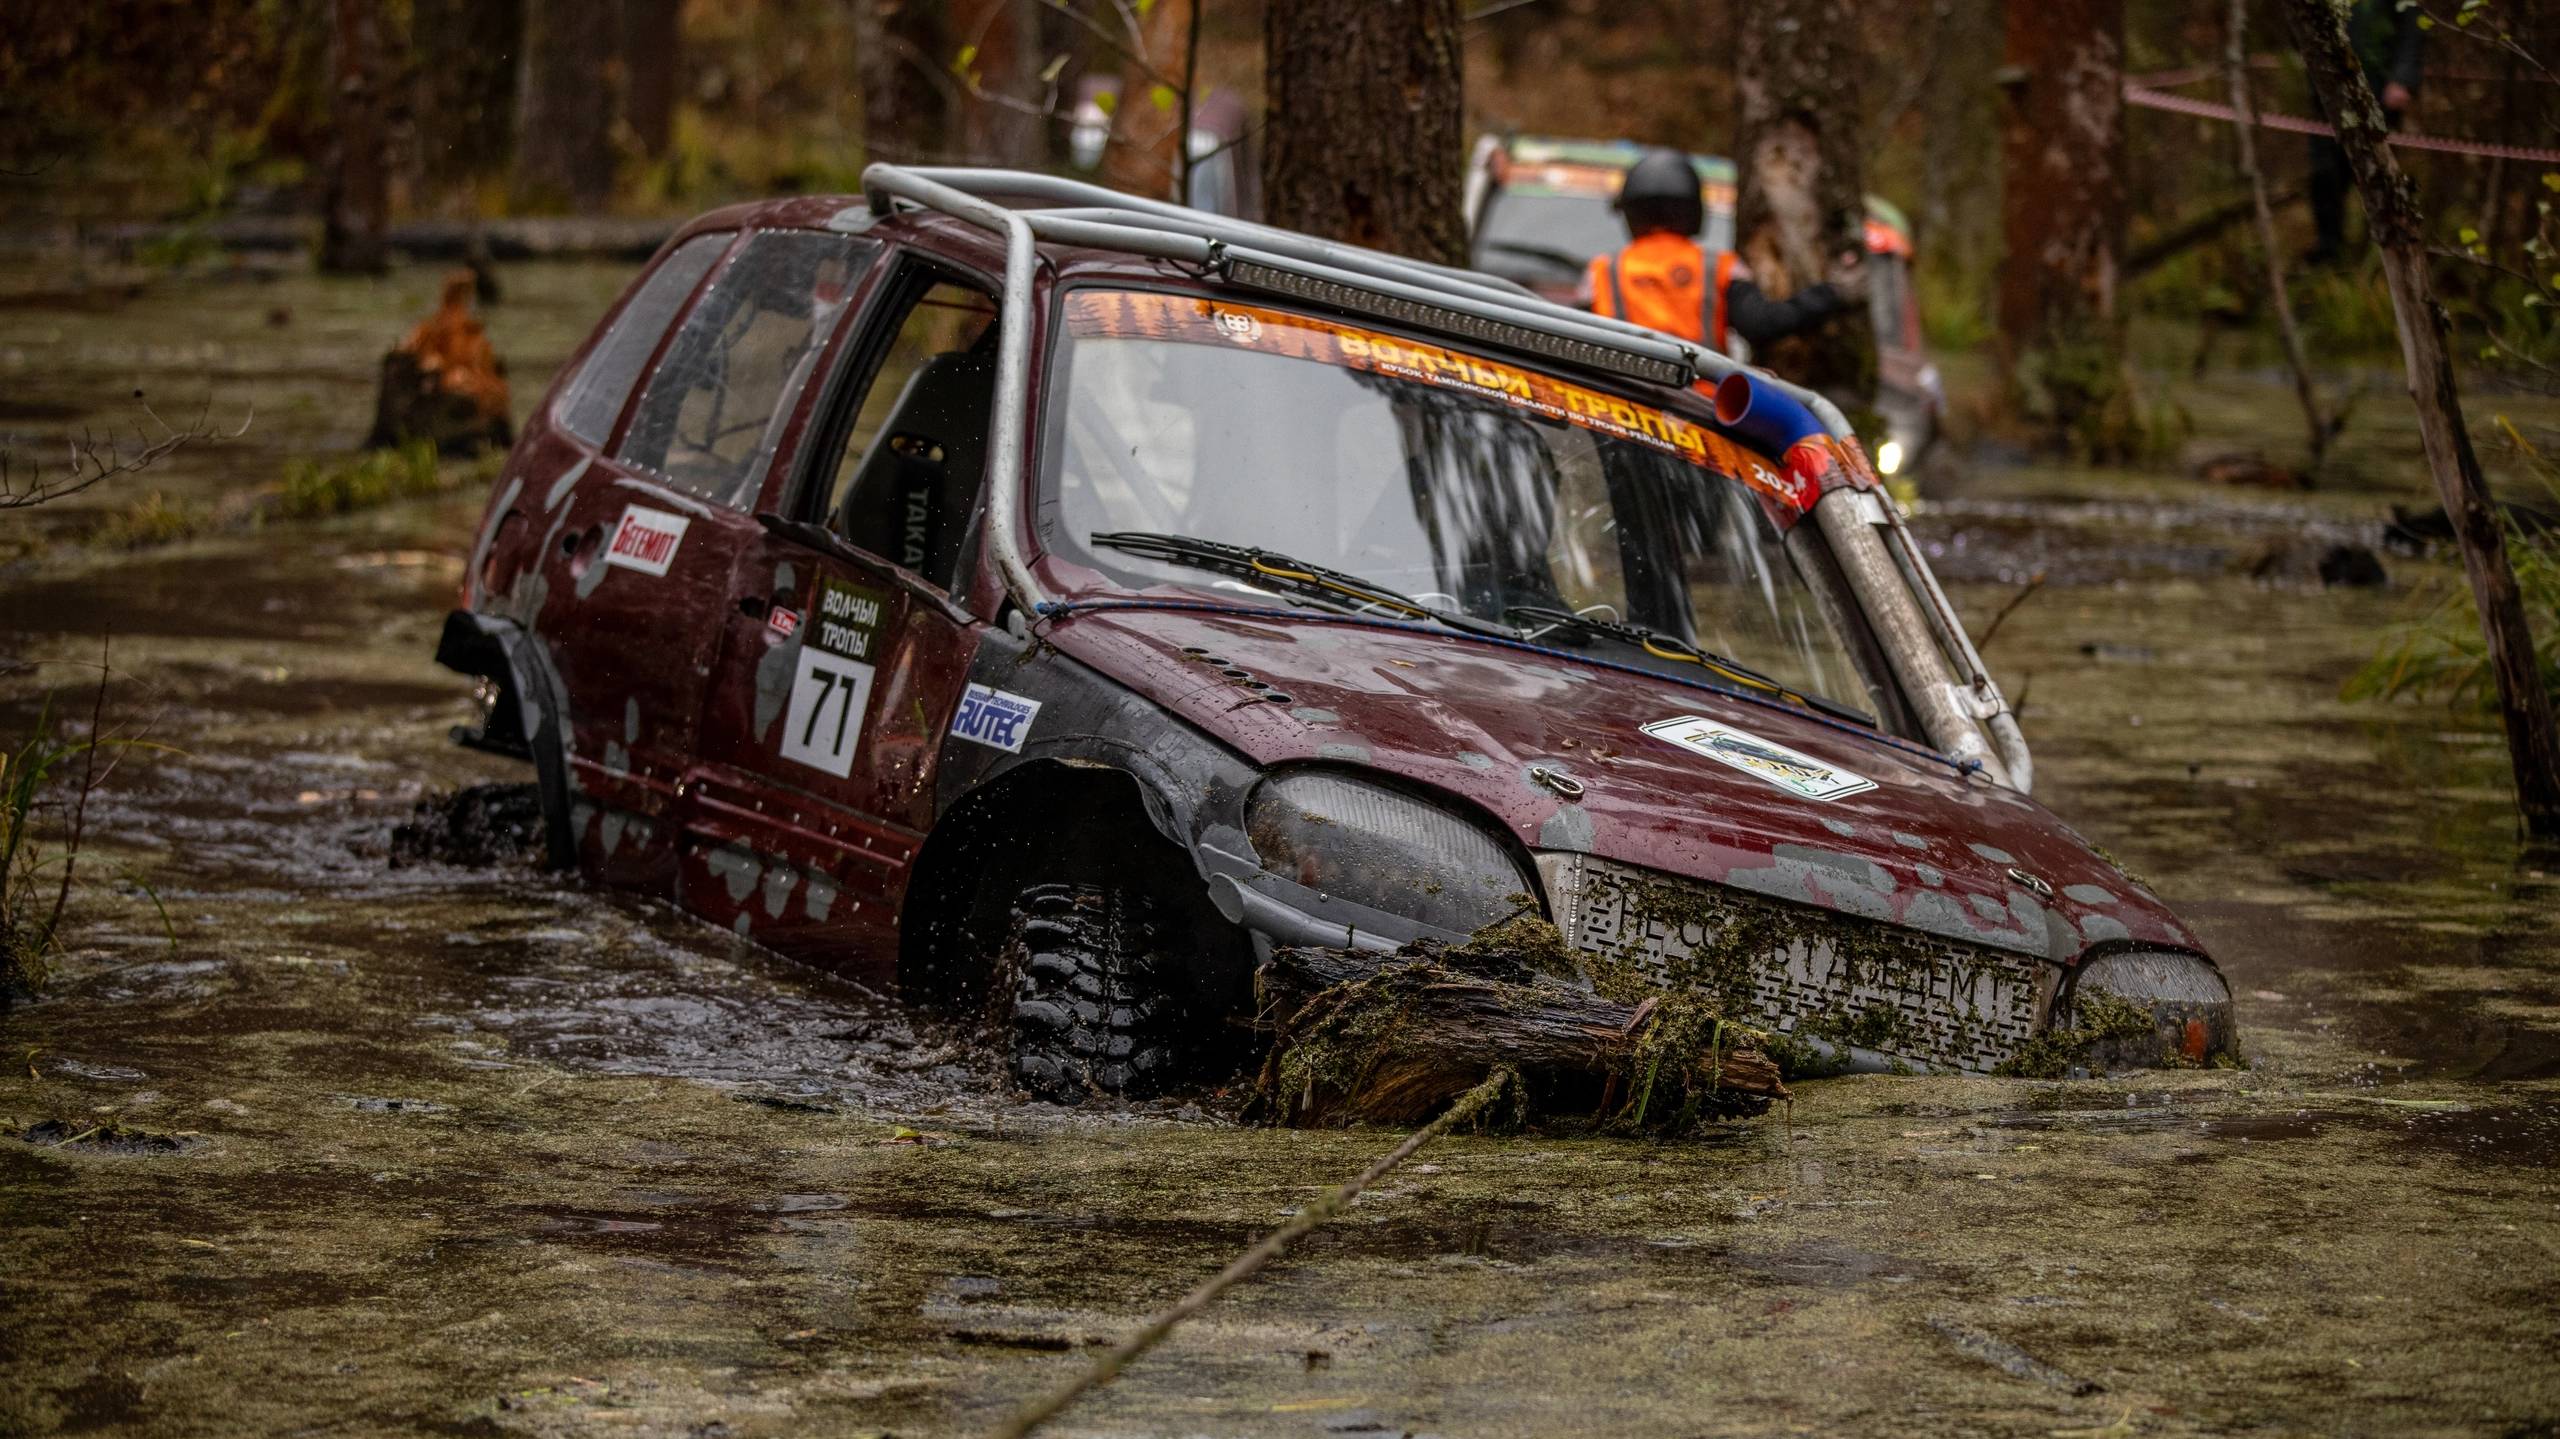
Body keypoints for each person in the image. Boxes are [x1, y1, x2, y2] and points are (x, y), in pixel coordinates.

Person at [1578, 147, 1864, 356]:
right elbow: (1763, 323)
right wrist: (1832, 293)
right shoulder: (1718, 267)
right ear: (1694, 209)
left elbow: (1572, 336)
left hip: (1616, 412)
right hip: (1698, 415)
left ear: (1630, 212)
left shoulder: (1601, 271)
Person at [2306, 0, 2423, 266]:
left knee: (2377, 174)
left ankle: (2381, 254)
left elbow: (2413, 25)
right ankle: (2329, 251)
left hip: (2377, 92)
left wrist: (2403, 78)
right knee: (2324, 172)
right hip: (2326, 94)